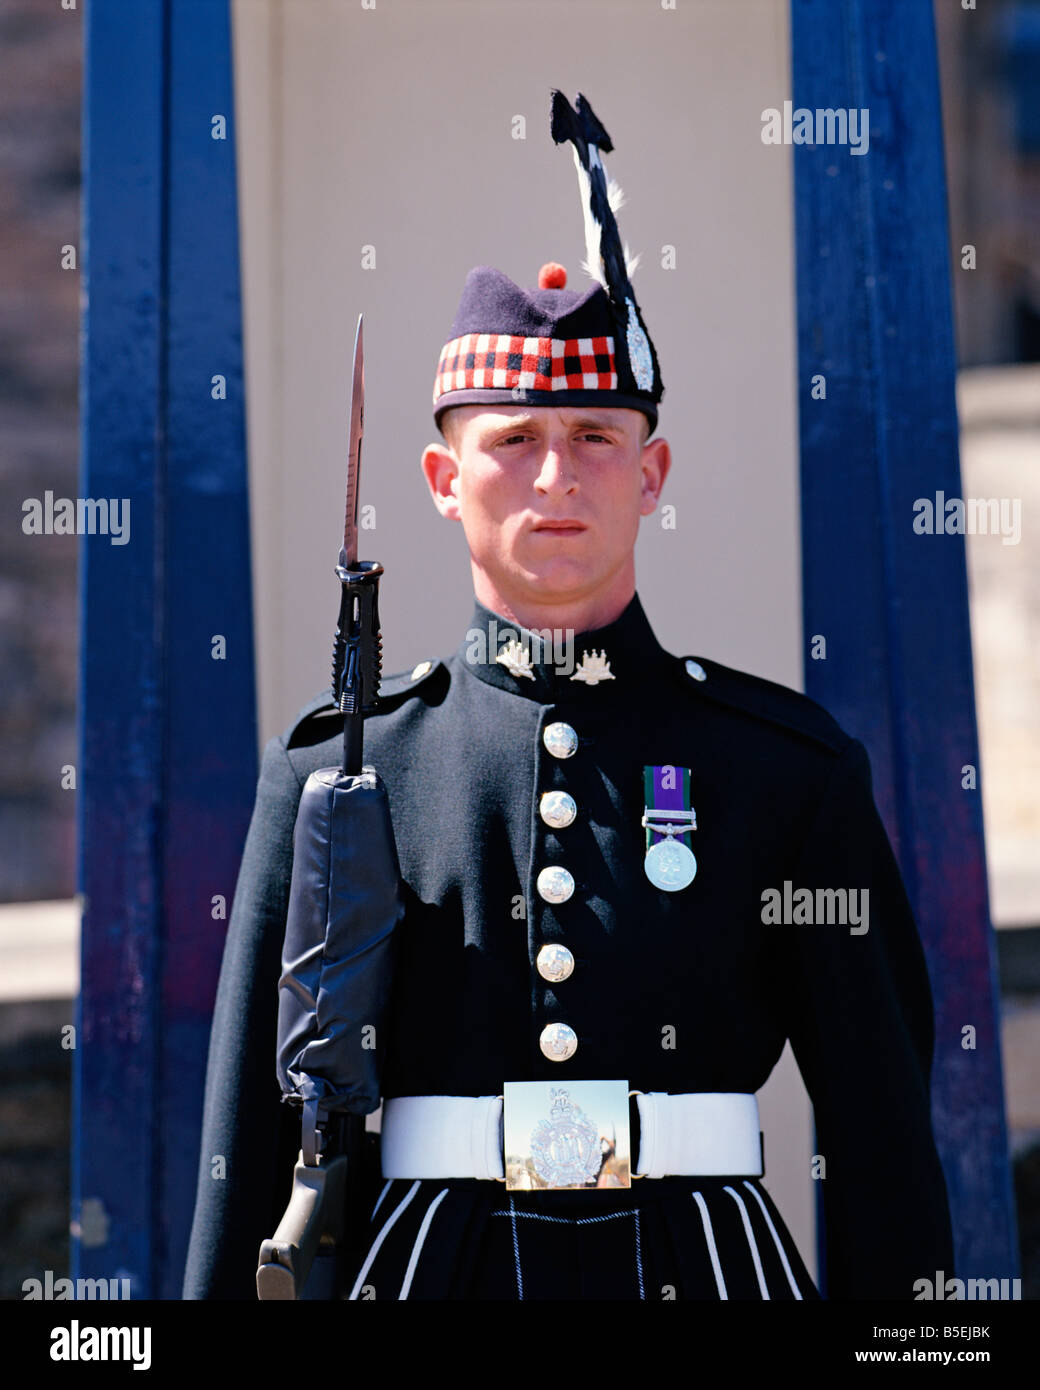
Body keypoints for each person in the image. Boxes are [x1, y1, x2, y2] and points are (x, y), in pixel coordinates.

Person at [183, 91, 954, 1301]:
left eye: (595, 434)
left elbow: (882, 1149)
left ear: (651, 475)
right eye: (513, 438)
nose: (555, 476)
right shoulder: (345, 764)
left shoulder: (784, 771)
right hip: (429, 1270)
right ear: (443, 479)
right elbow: (249, 1148)